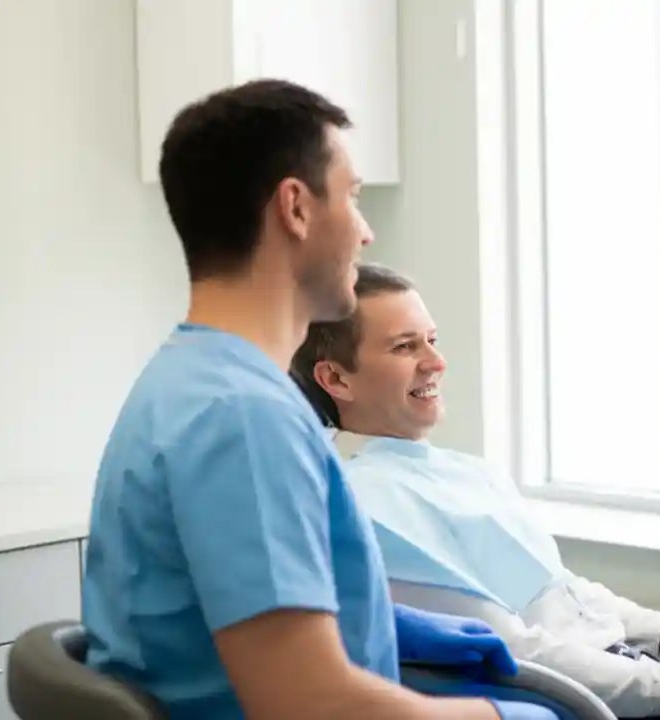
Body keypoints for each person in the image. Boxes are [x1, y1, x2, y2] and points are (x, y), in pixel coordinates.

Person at [81, 80, 555, 720]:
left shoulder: (186, 379)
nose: (365, 233)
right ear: (296, 208)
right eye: (354, 198)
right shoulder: (244, 418)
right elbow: (306, 704)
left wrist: (402, 627)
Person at [292, 263, 660, 720]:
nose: (437, 361)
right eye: (405, 347)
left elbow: (562, 593)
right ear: (336, 377)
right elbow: (514, 653)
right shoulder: (361, 507)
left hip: (638, 670)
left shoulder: (458, 472)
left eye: (432, 338)